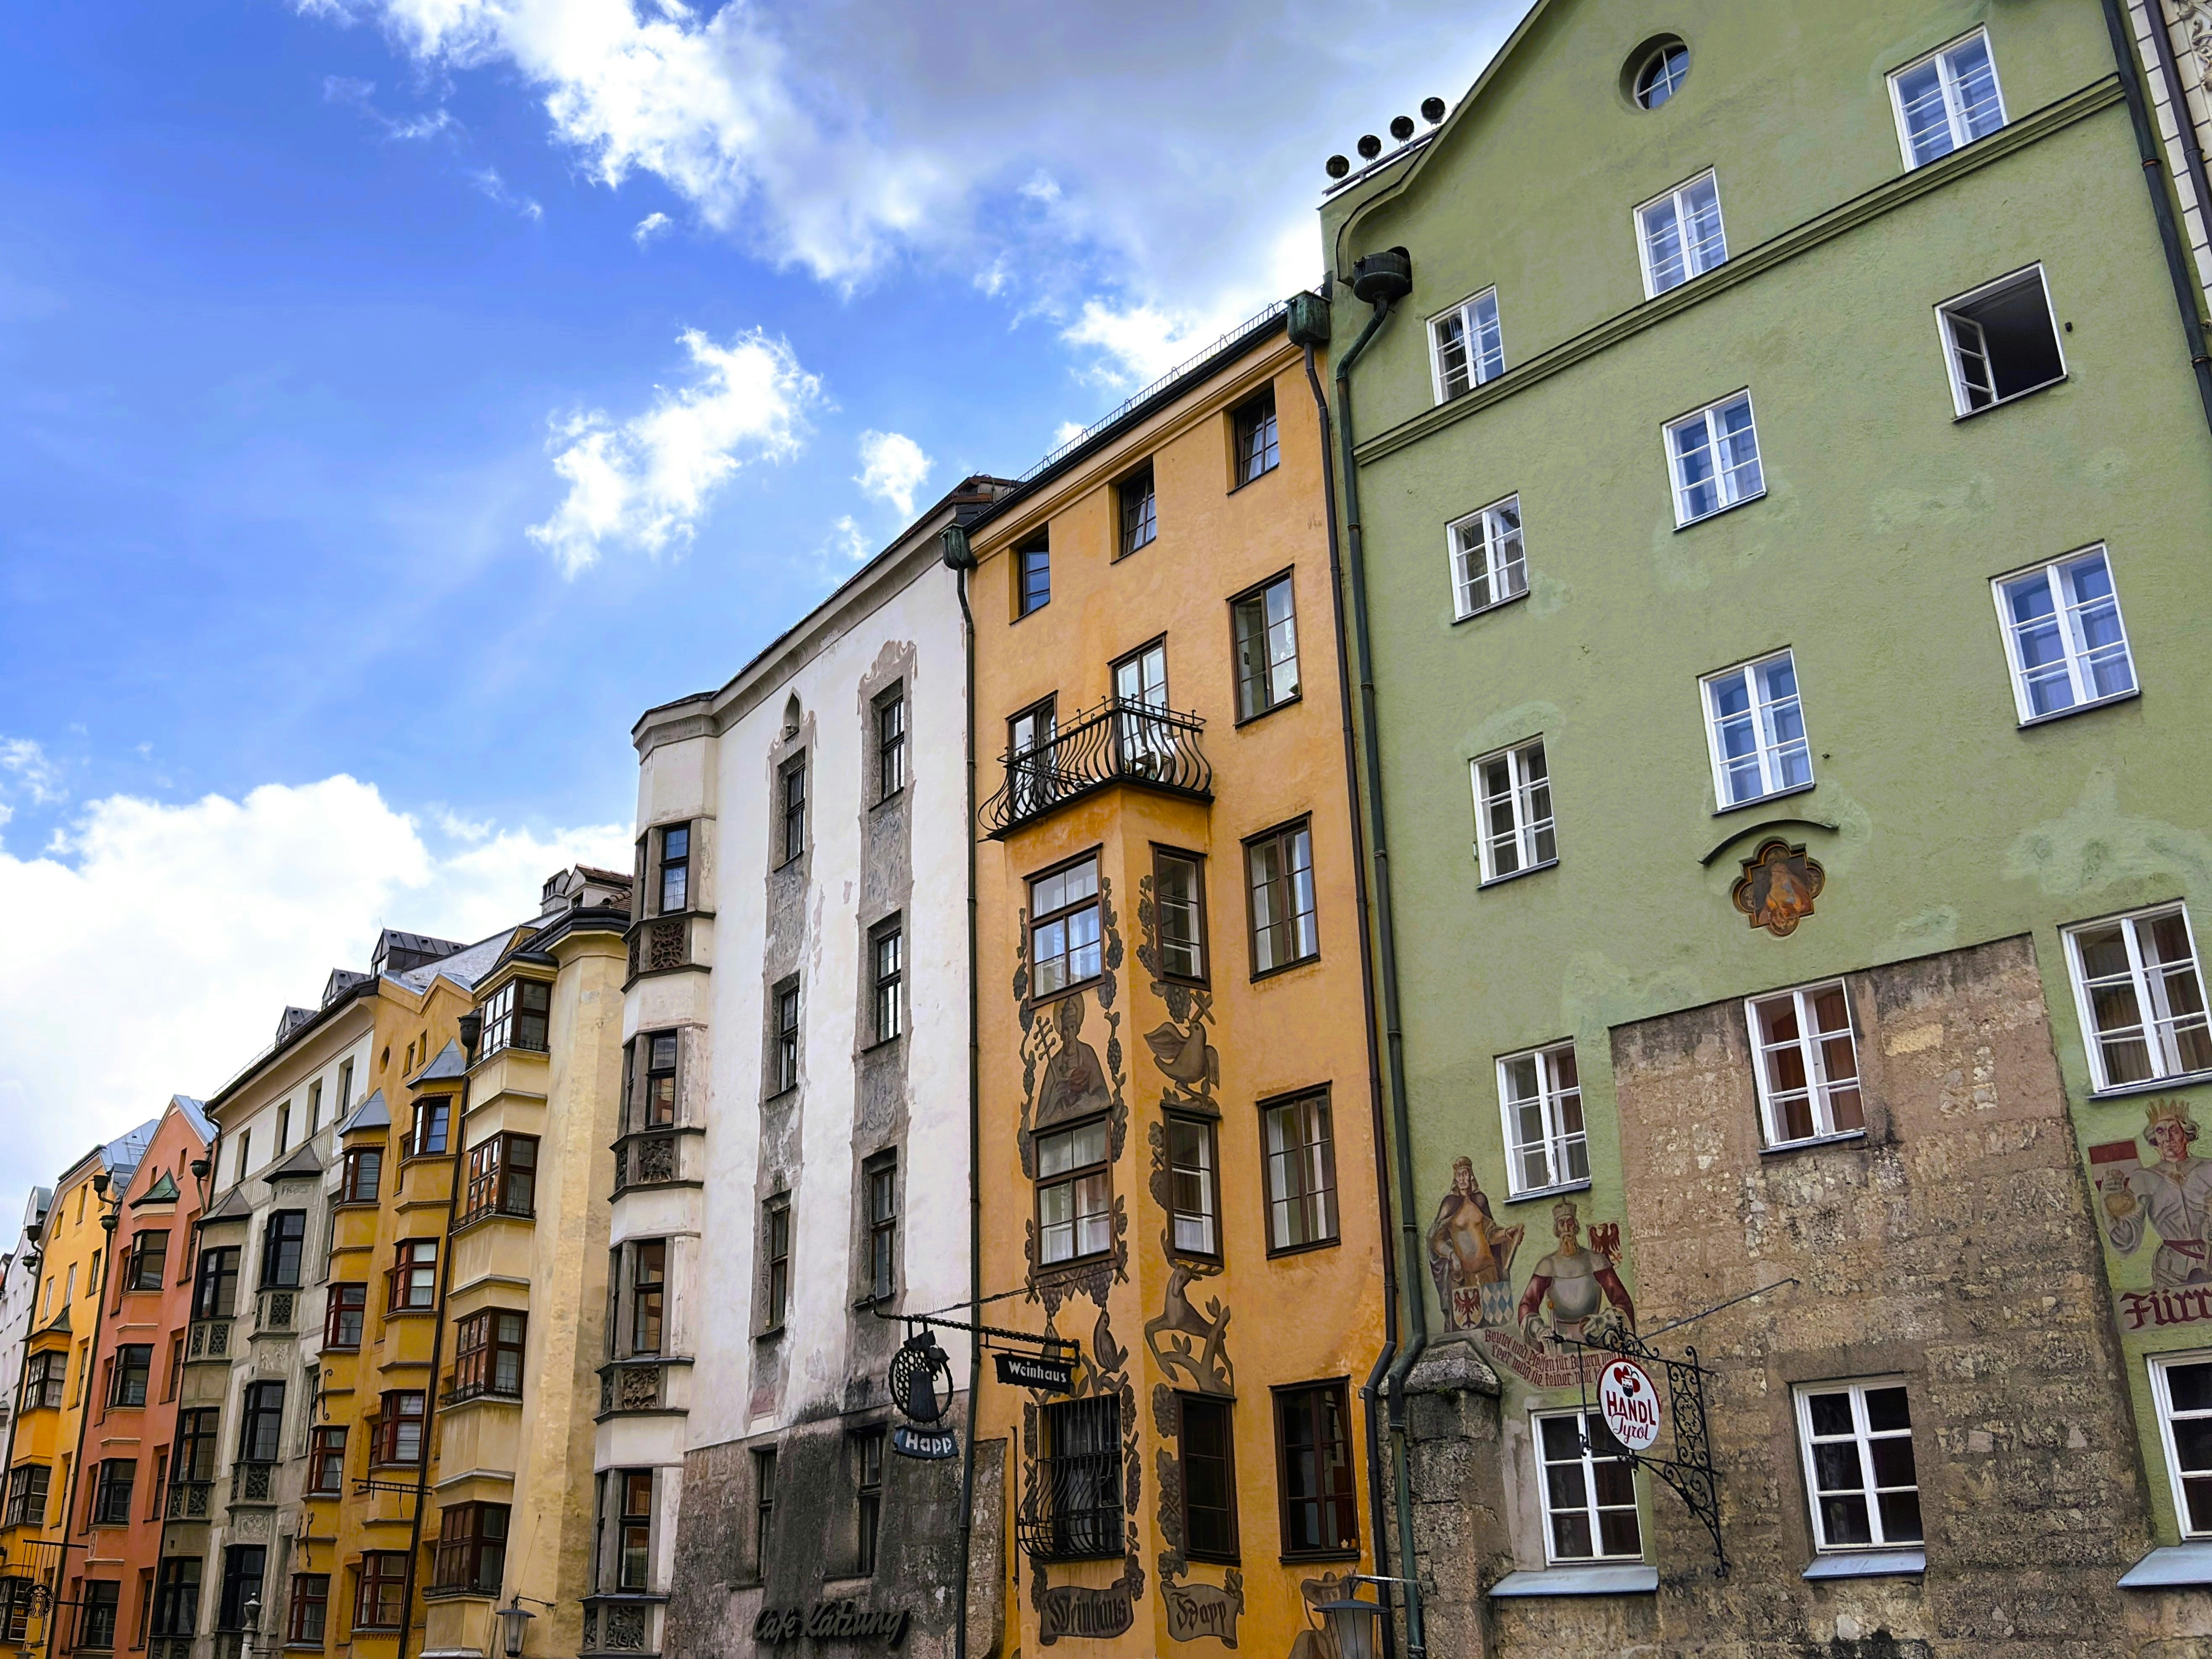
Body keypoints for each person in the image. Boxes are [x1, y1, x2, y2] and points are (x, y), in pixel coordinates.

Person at [2104, 1099, 2212, 1288]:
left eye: (2174, 1130)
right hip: (2171, 1267)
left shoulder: (2208, 1168)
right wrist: (2106, 1199)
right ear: (2155, 1140)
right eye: (2160, 1132)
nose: (2168, 1138)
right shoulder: (2144, 1178)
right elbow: (2126, 1237)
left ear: (2186, 1135)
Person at [1517, 1200, 1635, 1344]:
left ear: (1576, 1226)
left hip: (1596, 1341)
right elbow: (1527, 1305)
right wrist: (1539, 1329)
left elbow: (1622, 1302)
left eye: (1570, 1222)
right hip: (1560, 1344)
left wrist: (1604, 1321)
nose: (1566, 1228)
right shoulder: (1547, 1265)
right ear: (1557, 1229)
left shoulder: (1596, 1261)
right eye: (1562, 1223)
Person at [1427, 1157, 1523, 1329]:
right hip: (1465, 1279)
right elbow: (1436, 1239)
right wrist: (1452, 1255)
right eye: (1459, 1175)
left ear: (1471, 1175)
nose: (1463, 1179)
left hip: (1489, 1273)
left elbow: (1490, 1234)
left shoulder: (1480, 1201)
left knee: (1495, 1332)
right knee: (1469, 1331)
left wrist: (1506, 1234)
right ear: (1455, 1178)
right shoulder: (1450, 1205)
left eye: (1466, 1174)